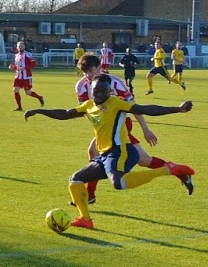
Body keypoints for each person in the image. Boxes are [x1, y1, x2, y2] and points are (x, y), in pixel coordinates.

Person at [25, 75, 194, 229]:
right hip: (105, 154)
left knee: (118, 183)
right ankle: (85, 219)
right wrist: (39, 111)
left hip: (121, 150)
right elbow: (65, 114)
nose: (99, 94)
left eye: (103, 91)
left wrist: (178, 109)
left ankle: (169, 169)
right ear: (91, 89)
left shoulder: (116, 103)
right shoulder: (88, 105)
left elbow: (146, 109)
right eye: (96, 90)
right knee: (75, 179)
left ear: (109, 91)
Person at [74, 53, 160, 205]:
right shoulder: (81, 86)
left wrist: (146, 130)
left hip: (122, 124)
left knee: (93, 151)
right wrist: (98, 127)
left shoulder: (114, 82)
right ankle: (176, 170)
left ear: (99, 67)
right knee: (144, 160)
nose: (87, 75)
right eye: (84, 72)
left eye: (90, 71)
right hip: (104, 127)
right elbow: (86, 111)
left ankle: (90, 194)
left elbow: (134, 106)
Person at [9, 41, 45, 111]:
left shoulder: (28, 54)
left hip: (26, 76)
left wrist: (25, 68)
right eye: (19, 46)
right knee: (15, 90)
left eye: (21, 46)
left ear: (24, 47)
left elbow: (34, 63)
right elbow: (17, 66)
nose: (20, 47)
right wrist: (12, 67)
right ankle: (19, 107)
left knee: (27, 92)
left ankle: (40, 97)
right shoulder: (16, 56)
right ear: (17, 47)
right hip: (18, 76)